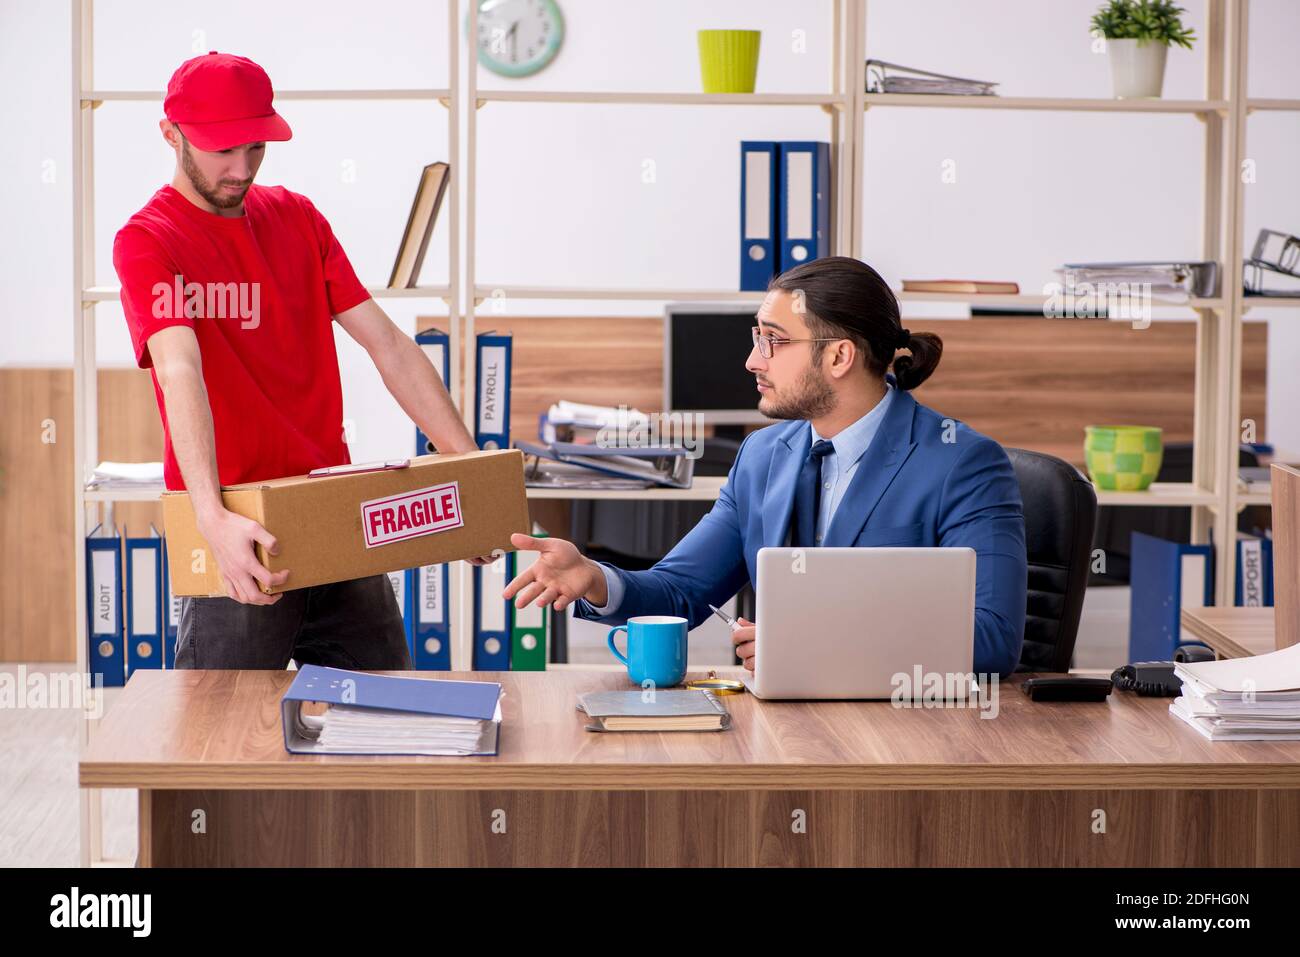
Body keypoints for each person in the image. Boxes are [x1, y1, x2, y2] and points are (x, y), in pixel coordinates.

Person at [113, 52, 484, 670]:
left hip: (331, 511)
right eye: (220, 151)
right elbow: (180, 370)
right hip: (239, 524)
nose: (241, 169)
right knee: (217, 747)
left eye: (254, 148)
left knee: (388, 726)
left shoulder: (297, 217)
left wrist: (470, 471)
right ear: (170, 134)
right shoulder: (148, 239)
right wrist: (211, 519)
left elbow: (387, 345)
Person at [503, 256, 1028, 676]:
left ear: (839, 357)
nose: (754, 361)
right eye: (757, 339)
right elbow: (681, 591)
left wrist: (814, 639)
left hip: (905, 744)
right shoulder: (762, 456)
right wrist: (595, 578)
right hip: (784, 732)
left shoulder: (962, 462)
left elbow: (992, 638)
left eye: (772, 340)